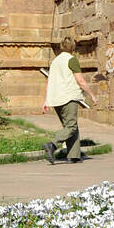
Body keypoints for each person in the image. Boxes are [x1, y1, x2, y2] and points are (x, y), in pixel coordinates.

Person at [41, 36, 98, 164]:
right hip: (68, 97)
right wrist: (92, 95)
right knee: (71, 126)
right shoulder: (72, 60)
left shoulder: (55, 61)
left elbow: (50, 81)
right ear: (73, 47)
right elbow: (81, 81)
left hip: (56, 98)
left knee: (70, 126)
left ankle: (73, 155)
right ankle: (52, 145)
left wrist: (46, 100)